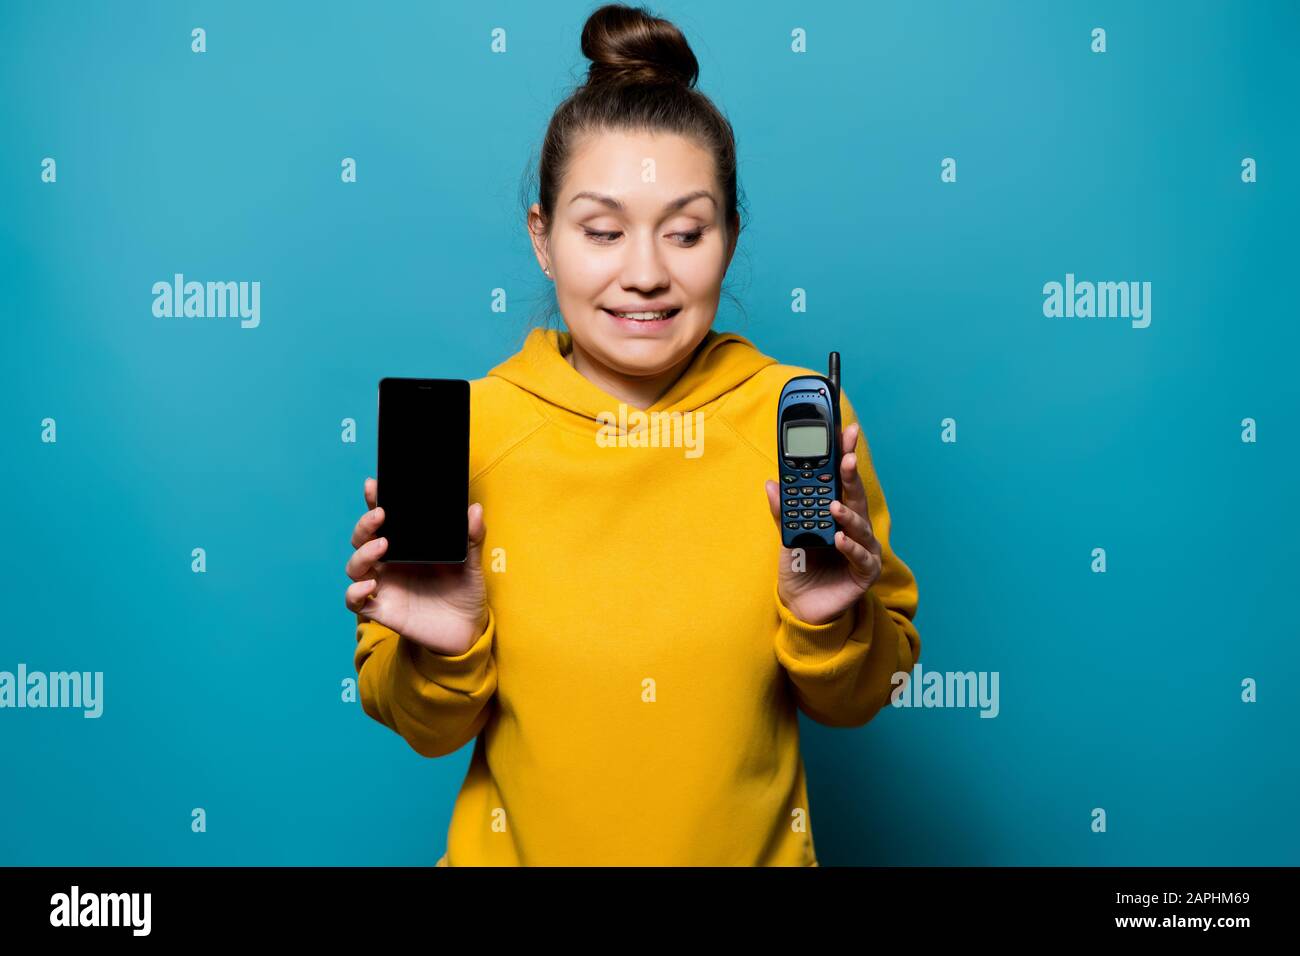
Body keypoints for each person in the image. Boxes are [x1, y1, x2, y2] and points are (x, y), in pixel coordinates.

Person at [344, 3, 921, 866]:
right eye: (603, 232)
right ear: (543, 238)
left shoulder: (796, 425)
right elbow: (428, 731)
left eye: (686, 232)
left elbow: (862, 696)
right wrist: (445, 651)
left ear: (729, 238)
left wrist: (828, 626)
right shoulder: (473, 432)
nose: (646, 274)